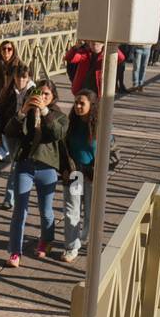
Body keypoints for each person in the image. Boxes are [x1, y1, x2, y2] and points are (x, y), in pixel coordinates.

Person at [3, 78, 68, 268]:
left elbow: (57, 133)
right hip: (26, 165)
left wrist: (45, 111)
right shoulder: (27, 111)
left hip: (47, 168)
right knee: (19, 210)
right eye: (38, 93)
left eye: (46, 94)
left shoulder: (59, 116)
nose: (41, 97)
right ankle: (15, 251)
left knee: (45, 210)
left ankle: (46, 239)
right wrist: (23, 111)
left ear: (53, 97)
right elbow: (9, 131)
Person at [61, 89, 98, 263]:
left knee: (91, 211)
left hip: (92, 173)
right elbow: (64, 147)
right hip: (75, 171)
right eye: (76, 102)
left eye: (82, 103)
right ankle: (71, 246)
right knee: (71, 210)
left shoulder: (100, 125)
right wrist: (65, 168)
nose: (77, 106)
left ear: (92, 105)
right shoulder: (71, 123)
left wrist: (96, 169)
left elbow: (109, 151)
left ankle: (85, 238)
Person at [0, 64, 34, 211]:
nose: (20, 80)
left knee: (17, 165)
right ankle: (13, 197)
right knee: (16, 164)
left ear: (29, 77)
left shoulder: (34, 91)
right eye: (18, 77)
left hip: (27, 134)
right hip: (10, 133)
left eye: (24, 77)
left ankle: (12, 198)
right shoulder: (7, 91)